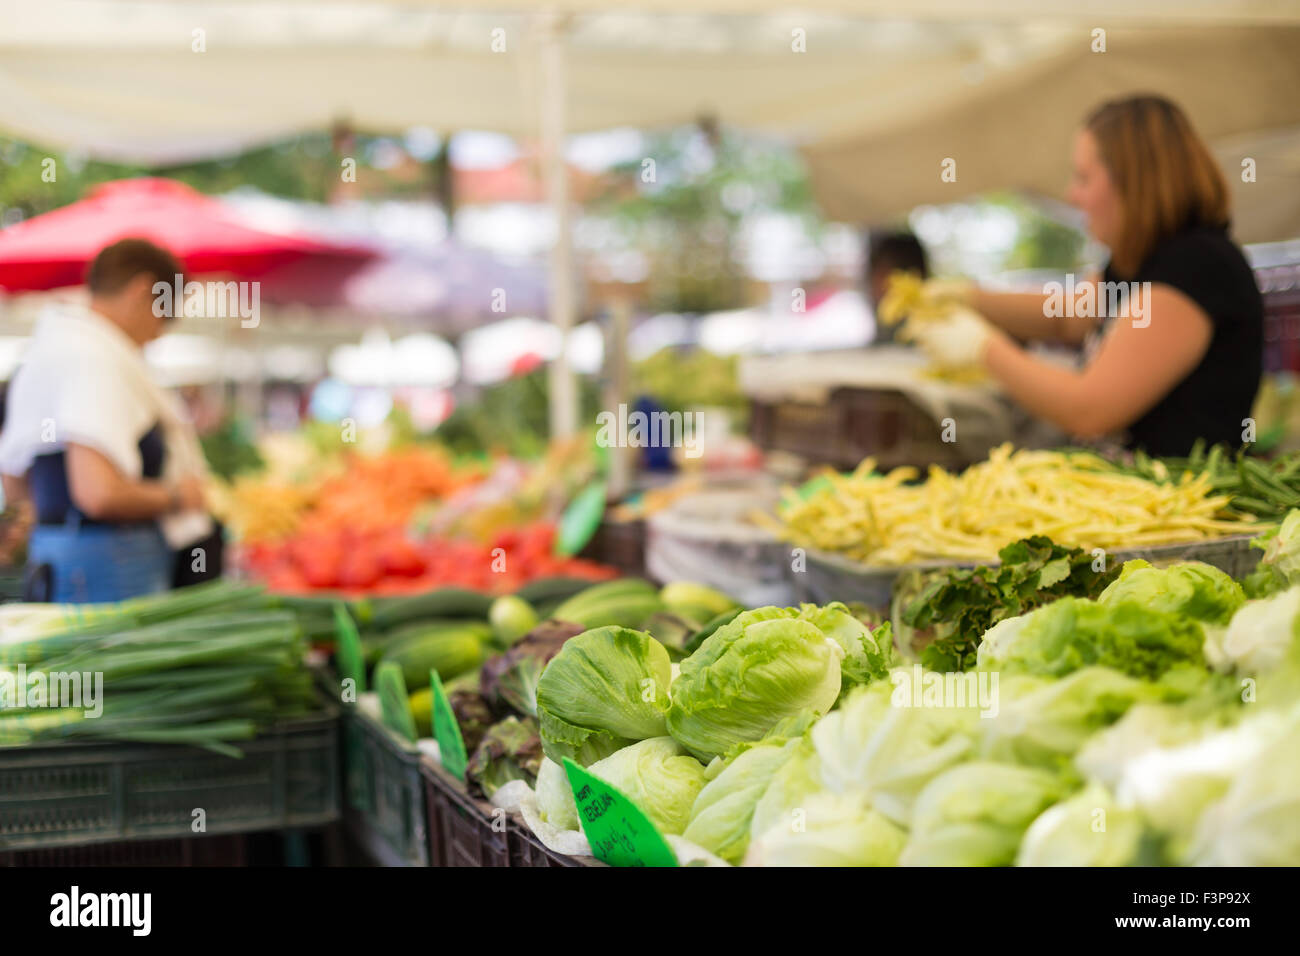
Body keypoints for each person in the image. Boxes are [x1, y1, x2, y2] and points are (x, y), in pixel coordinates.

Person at [905, 94, 1263, 457]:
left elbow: (1089, 410)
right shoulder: (1134, 261)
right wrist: (969, 297)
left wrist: (983, 349)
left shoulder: (1196, 266)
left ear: (1133, 182)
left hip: (1176, 498)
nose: (1071, 196)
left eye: (1083, 177)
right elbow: (1067, 318)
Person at [0, 238, 214, 603]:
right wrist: (180, 496)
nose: (161, 332)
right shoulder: (93, 356)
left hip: (64, 555)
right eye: (167, 313)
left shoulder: (52, 347)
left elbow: (17, 485)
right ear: (143, 290)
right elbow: (98, 494)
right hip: (111, 565)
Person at [865, 231, 929, 345]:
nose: (876, 284)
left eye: (883, 274)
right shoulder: (883, 324)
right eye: (875, 274)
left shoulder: (924, 328)